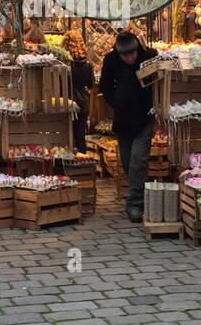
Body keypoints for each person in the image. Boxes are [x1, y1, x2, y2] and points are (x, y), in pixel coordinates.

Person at [98, 30, 158, 223]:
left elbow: (160, 79)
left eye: (132, 53)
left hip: (145, 116)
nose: (129, 58)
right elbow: (105, 86)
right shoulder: (111, 60)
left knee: (137, 158)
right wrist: (117, 102)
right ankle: (143, 193)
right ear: (119, 53)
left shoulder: (148, 56)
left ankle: (135, 204)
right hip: (123, 118)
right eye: (125, 55)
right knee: (126, 161)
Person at [65, 32, 94, 153]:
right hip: (83, 103)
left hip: (68, 102)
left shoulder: (66, 66)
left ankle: (69, 163)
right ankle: (83, 161)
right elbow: (91, 85)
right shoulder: (88, 66)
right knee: (80, 135)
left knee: (68, 135)